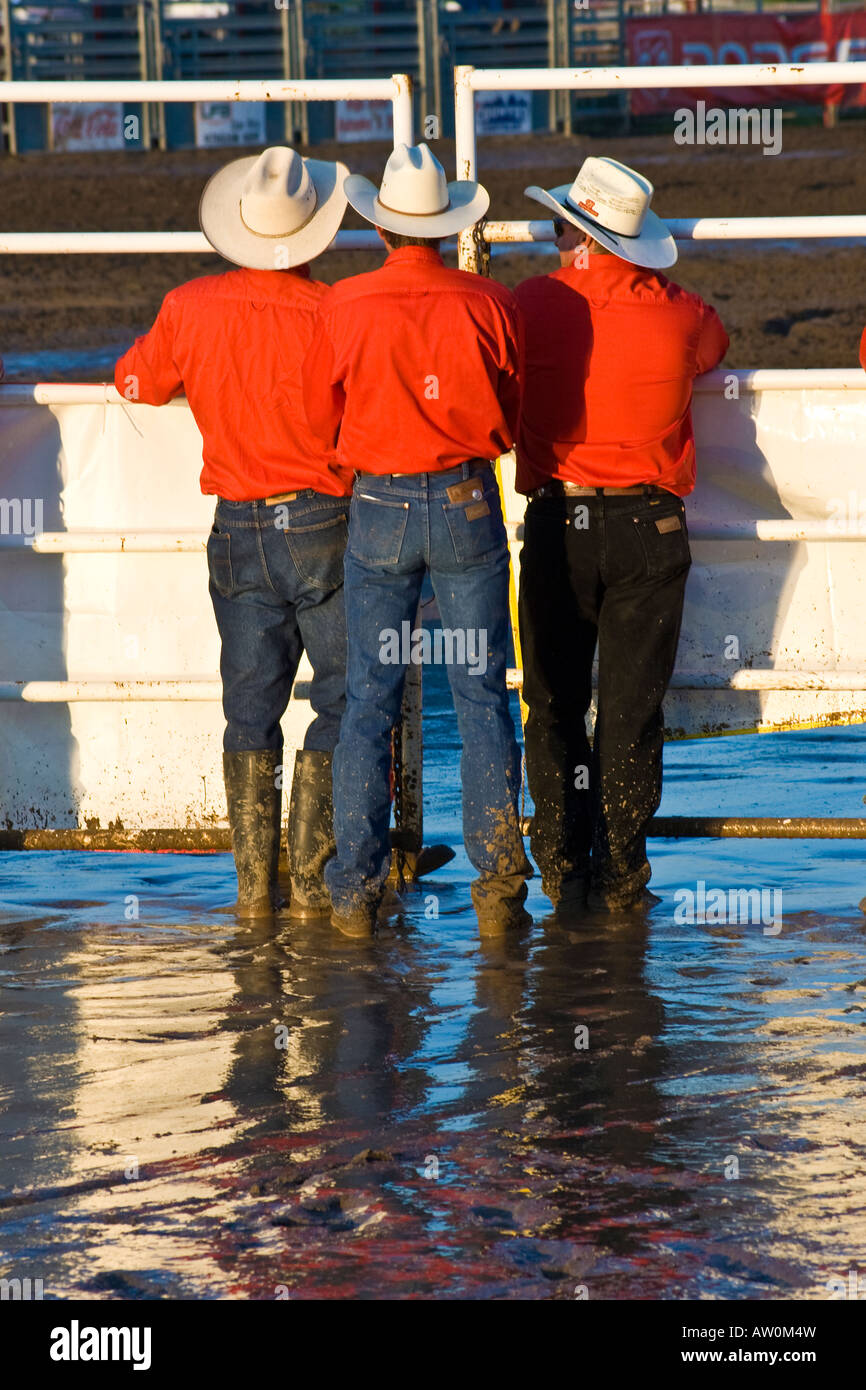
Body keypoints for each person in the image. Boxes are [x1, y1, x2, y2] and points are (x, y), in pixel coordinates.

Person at [115, 146, 352, 919]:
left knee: (249, 710)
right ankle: (313, 882)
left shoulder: (189, 306)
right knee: (346, 694)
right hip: (322, 516)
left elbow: (135, 380)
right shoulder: (334, 312)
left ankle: (254, 892)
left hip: (238, 523)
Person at [302, 142, 531, 939]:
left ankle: (355, 892)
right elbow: (512, 410)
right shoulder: (490, 303)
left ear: (382, 228)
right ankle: (498, 889)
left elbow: (319, 418)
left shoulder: (345, 305)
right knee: (481, 695)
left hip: (380, 502)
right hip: (466, 498)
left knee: (369, 698)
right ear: (446, 228)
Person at [514, 156, 729, 911]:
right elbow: (715, 348)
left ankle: (560, 864)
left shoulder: (530, 304)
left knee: (553, 701)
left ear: (576, 235)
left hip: (559, 519)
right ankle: (621, 874)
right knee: (632, 710)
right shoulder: (682, 313)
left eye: (560, 225)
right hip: (649, 523)